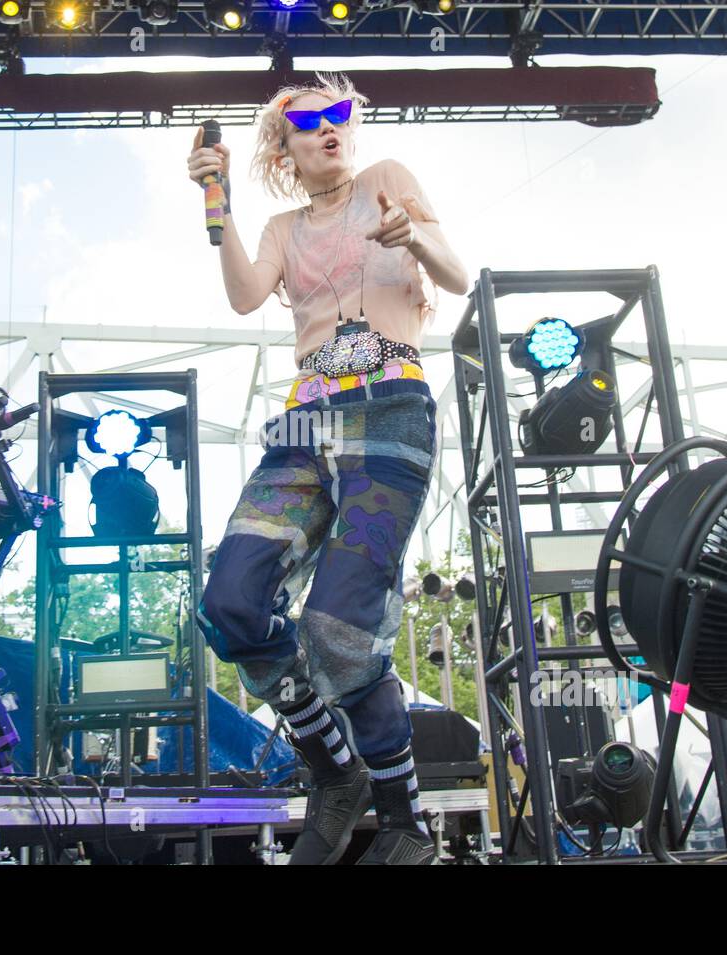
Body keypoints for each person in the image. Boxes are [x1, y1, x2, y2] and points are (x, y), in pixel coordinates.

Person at [187, 72, 468, 865]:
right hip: (307, 422)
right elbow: (246, 297)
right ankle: (332, 770)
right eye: (310, 123)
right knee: (231, 602)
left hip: (390, 411)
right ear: (286, 147)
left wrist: (411, 236)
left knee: (337, 625)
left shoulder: (387, 183)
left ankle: (404, 816)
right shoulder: (283, 226)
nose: (331, 128)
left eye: (340, 114)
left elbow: (458, 272)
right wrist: (217, 203)